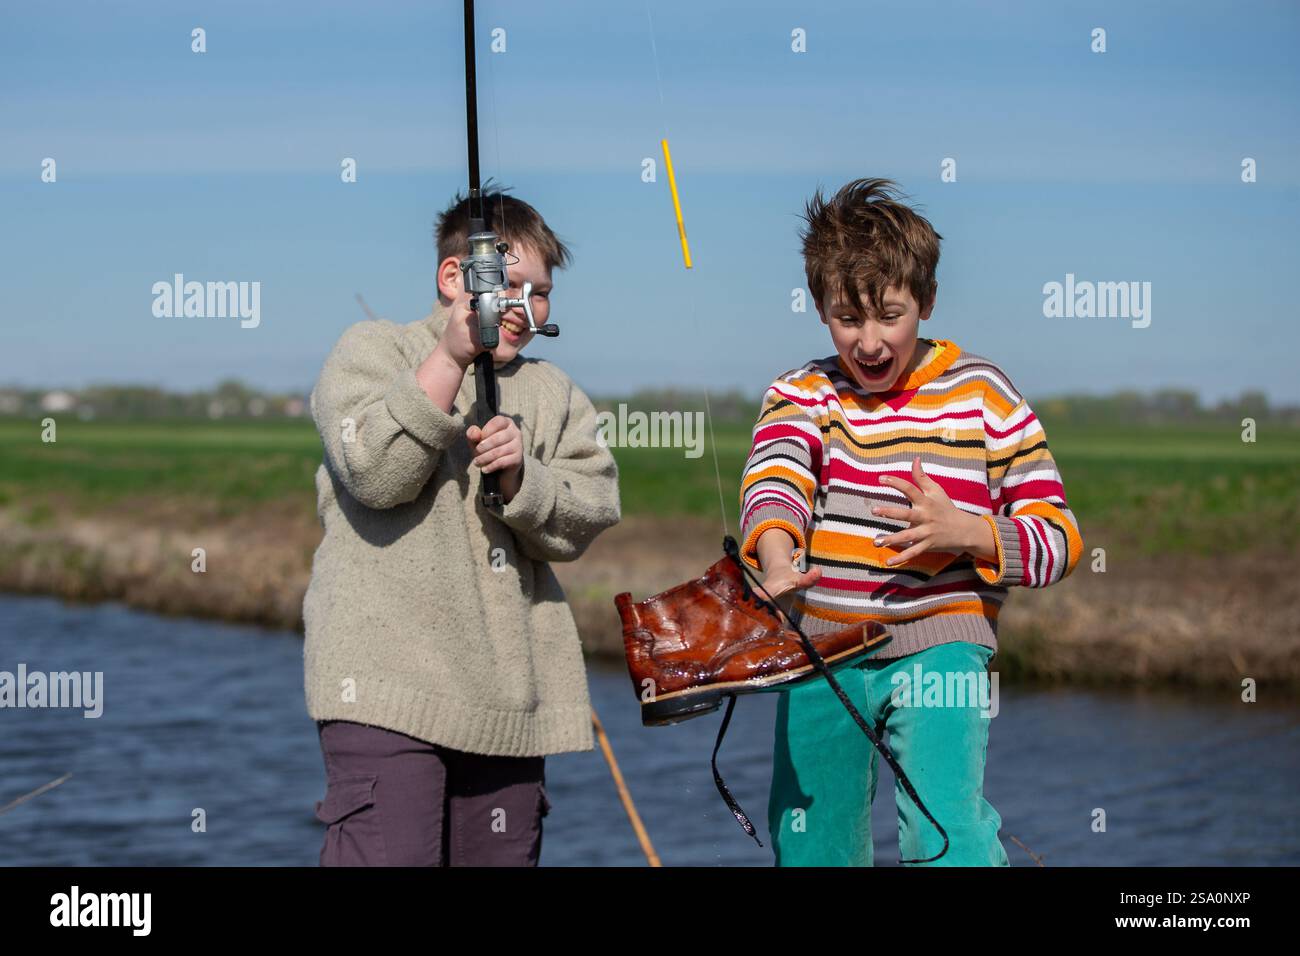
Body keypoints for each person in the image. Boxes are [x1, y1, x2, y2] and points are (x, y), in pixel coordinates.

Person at [738, 177, 1083, 866]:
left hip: (943, 642)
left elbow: (1060, 537)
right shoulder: (802, 392)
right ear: (820, 310)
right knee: (812, 840)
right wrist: (777, 561)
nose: (868, 342)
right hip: (822, 647)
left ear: (926, 301)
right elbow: (775, 479)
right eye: (847, 319)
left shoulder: (983, 393)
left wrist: (973, 534)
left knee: (944, 833)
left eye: (889, 316)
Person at [303, 187, 620, 866]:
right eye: (506, 285)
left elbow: (590, 510)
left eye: (541, 293)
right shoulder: (371, 351)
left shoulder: (556, 393)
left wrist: (521, 480)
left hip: (509, 707)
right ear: (454, 279)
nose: (525, 308)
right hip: (381, 693)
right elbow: (373, 473)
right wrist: (447, 362)